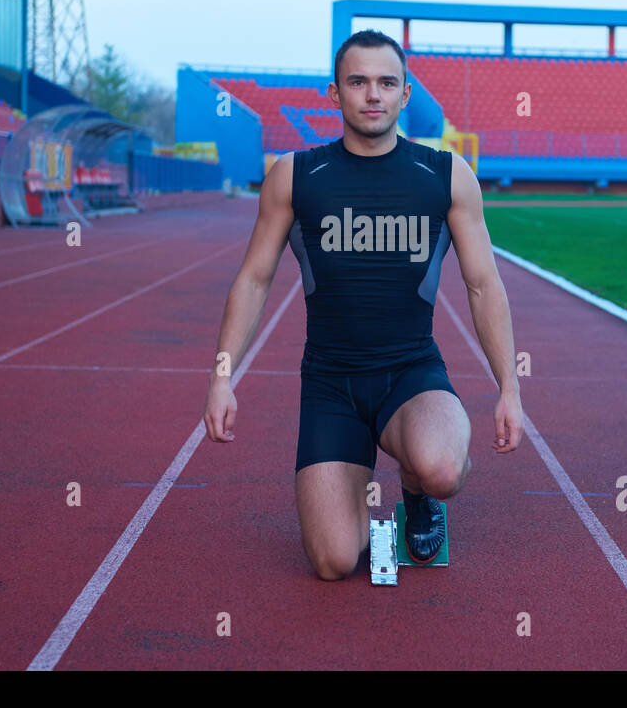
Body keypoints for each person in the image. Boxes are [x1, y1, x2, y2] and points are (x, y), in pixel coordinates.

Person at [203, 29, 523, 580]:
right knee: (334, 562)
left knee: (442, 469)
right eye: (358, 81)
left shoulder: (446, 176)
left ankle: (419, 492)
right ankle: (359, 479)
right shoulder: (295, 175)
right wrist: (221, 377)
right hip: (331, 384)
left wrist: (509, 389)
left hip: (410, 373)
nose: (372, 94)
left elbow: (483, 285)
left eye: (386, 82)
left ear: (404, 95)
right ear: (334, 93)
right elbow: (254, 279)